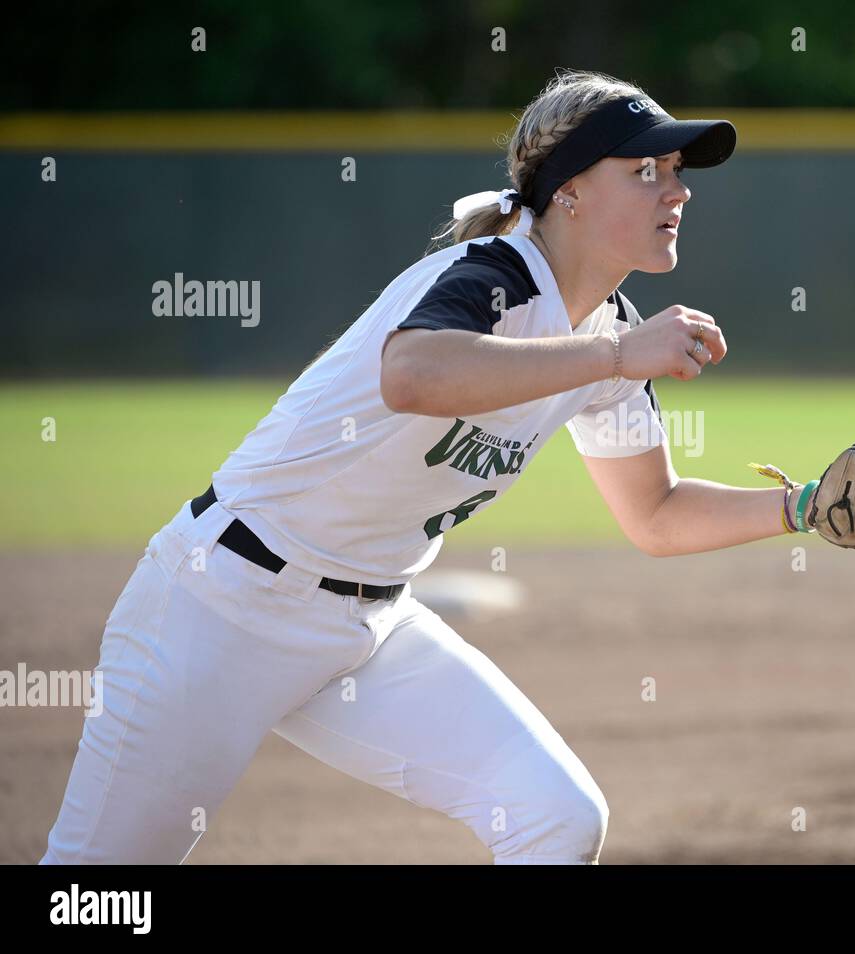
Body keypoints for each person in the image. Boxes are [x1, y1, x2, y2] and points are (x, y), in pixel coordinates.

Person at [40, 69, 816, 866]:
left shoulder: (610, 331)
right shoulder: (497, 274)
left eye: (677, 171)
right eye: (647, 169)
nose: (677, 190)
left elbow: (656, 514)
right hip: (221, 607)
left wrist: (808, 507)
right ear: (570, 190)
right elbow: (412, 374)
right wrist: (619, 354)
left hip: (371, 631)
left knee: (557, 815)